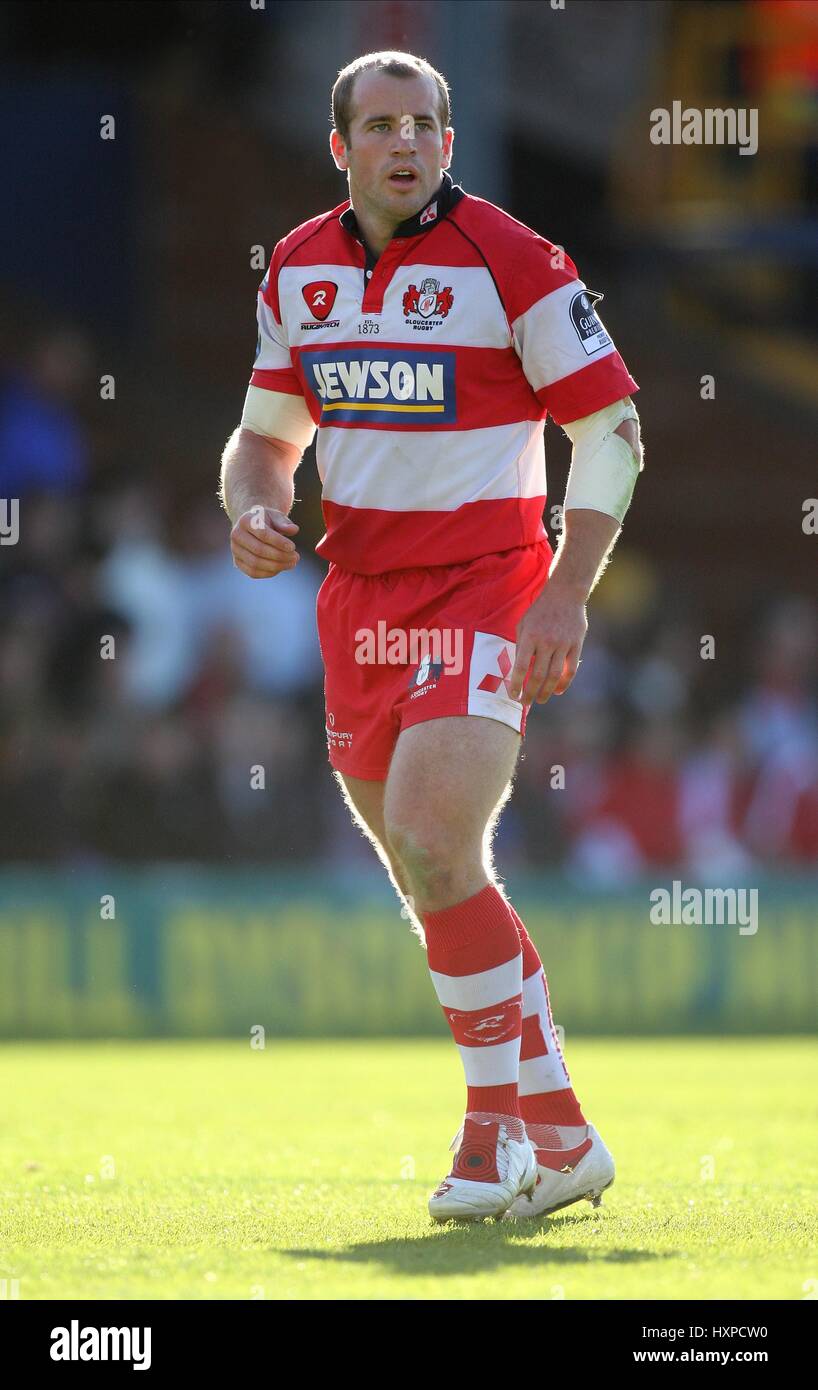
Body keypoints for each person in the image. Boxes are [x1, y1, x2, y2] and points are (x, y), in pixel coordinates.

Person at [219, 50, 644, 1222]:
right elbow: (263, 436)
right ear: (339, 145)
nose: (404, 143)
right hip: (357, 597)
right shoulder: (296, 271)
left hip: (485, 584)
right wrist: (255, 505)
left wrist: (565, 587)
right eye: (380, 125)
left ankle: (485, 1134)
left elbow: (609, 432)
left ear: (447, 146)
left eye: (424, 126)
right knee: (428, 873)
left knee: (430, 835)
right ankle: (556, 1131)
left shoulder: (513, 262)